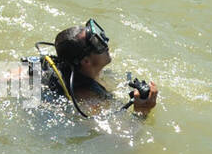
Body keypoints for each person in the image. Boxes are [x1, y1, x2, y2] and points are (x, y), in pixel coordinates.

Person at [29, 18, 159, 117]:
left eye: (100, 38)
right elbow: (124, 143)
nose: (106, 43)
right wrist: (142, 111)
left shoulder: (91, 72)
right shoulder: (90, 99)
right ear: (86, 61)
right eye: (97, 44)